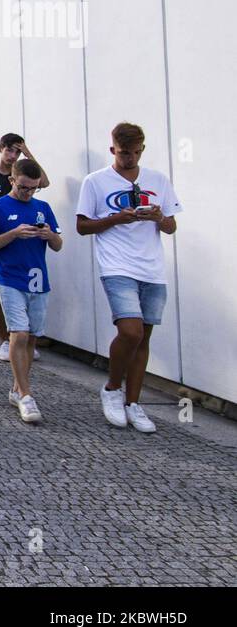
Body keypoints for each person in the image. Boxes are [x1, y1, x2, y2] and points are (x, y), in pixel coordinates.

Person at [76, 122, 181, 433]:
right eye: (123, 153)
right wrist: (116, 219)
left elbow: (172, 227)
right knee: (131, 332)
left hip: (152, 269)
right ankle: (111, 389)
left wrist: (159, 216)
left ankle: (134, 403)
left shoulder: (158, 180)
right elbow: (82, 226)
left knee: (144, 337)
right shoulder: (95, 182)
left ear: (142, 150)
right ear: (113, 150)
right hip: (117, 266)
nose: (129, 159)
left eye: (135, 153)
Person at [0, 158, 62, 424]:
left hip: (38, 279)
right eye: (24, 187)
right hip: (9, 277)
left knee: (33, 336)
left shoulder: (43, 207)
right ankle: (26, 394)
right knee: (20, 332)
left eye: (34, 188)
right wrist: (14, 233)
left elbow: (59, 245)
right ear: (12, 180)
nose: (29, 193)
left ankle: (17, 387)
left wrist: (49, 235)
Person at [0, 132, 50, 363]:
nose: (12, 155)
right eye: (9, 150)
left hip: (27, 247)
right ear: (0, 149)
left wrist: (28, 153)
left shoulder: (26, 175)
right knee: (0, 289)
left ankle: (22, 339)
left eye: (16, 151)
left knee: (25, 290)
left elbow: (44, 182)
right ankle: (5, 339)